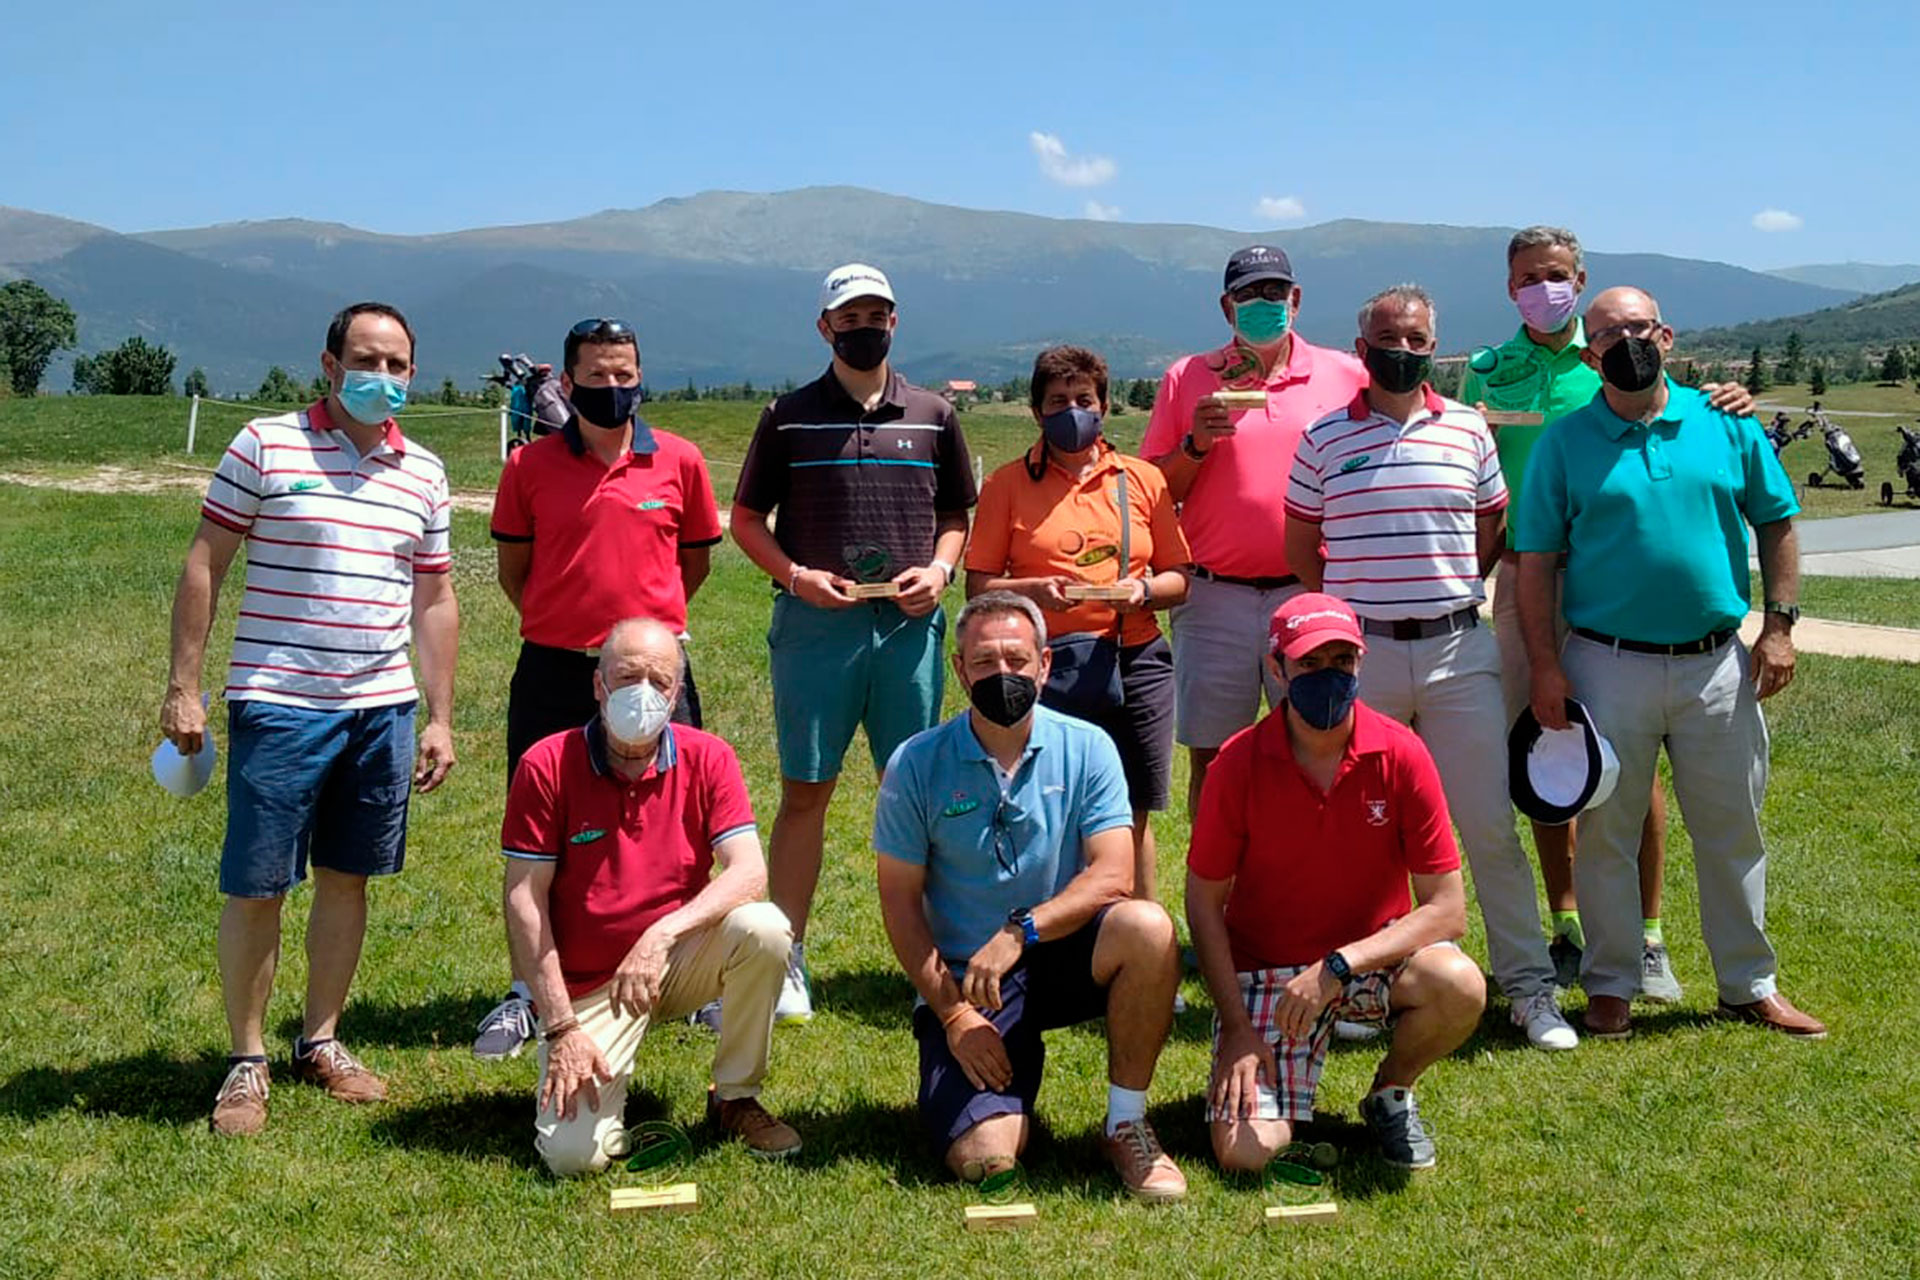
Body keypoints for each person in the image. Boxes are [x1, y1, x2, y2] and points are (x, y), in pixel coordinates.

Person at [161, 302, 459, 1136]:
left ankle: (320, 1040)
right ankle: (246, 1061)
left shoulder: (425, 472)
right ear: (330, 366)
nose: (382, 377)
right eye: (366, 360)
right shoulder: (265, 444)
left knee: (347, 878)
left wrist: (440, 716)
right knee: (258, 885)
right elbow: (205, 562)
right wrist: (184, 686)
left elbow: (435, 598)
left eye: (396, 365)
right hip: (279, 703)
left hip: (381, 709)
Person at [1514, 286, 1826, 1041]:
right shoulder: (1565, 442)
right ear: (1590, 356)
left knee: (1732, 827)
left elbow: (1777, 522)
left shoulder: (1726, 421)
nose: (1625, 342)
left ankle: (1748, 984)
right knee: (1607, 831)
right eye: (1607, 334)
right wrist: (1544, 667)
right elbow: (1537, 562)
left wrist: (1779, 627)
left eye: (1638, 327)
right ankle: (1612, 984)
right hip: (1604, 661)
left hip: (1715, 663)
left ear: (1667, 336)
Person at [1461, 227, 1753, 1000]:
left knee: (1628, 759)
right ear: (1510, 288)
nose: (1543, 288)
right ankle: (1568, 922)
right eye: (1528, 277)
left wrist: (1734, 397)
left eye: (1556, 274)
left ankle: (1647, 935)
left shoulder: (1613, 356)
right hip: (1525, 572)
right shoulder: (1485, 372)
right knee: (1547, 745)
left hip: (1604, 578)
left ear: (1580, 279)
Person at [1284, 284, 1577, 1052]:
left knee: (1486, 825)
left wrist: (1442, 589)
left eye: (1417, 340)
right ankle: (1361, 988)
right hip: (1365, 658)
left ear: (1434, 347)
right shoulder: (1322, 438)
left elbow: (1490, 527)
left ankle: (1529, 989)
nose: (1404, 351)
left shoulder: (1470, 431)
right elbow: (1301, 547)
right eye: (1389, 339)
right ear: (1362, 349)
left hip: (1457, 651)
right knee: (1359, 830)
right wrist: (1353, 611)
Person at [873, 592, 1187, 1201]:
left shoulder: (1090, 746)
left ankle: (1125, 1122)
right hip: (968, 977)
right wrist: (955, 1016)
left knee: (1148, 928)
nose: (1003, 674)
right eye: (984, 662)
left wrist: (1021, 931)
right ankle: (1002, 1099)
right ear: (959, 671)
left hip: (1061, 950)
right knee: (984, 1158)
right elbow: (900, 904)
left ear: (1044, 664)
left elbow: (1114, 873)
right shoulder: (915, 762)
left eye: (1017, 660)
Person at [732, 263, 977, 1024]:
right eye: (850, 317)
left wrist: (941, 570)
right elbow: (746, 520)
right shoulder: (787, 416)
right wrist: (795, 575)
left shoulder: (934, 414)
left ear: (894, 322)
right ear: (825, 327)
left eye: (876, 315)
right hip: (815, 628)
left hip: (907, 629)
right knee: (806, 790)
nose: (864, 328)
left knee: (914, 792)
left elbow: (956, 515)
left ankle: (928, 958)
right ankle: (787, 956)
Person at [474, 317, 724, 1061]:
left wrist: (640, 647)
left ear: (640, 377)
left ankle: (690, 978)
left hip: (653, 673)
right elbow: (516, 572)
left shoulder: (680, 461)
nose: (612, 387)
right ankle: (530, 990)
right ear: (567, 381)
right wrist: (568, 626)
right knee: (541, 834)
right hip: (555, 669)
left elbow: (693, 564)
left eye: (624, 375)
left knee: (678, 821)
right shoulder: (528, 466)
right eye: (596, 375)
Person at [1188, 594, 1485, 1171]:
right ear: (1276, 669)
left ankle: (1390, 1092)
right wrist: (1238, 1028)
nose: (1328, 676)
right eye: (1309, 663)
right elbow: (1203, 901)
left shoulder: (1402, 752)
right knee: (1246, 1156)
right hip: (1269, 974)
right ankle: (1269, 1082)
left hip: (1368, 963)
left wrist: (1338, 967)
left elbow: (1448, 909)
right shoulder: (1237, 763)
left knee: (1459, 984)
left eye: (1342, 661)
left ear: (1360, 662)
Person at [502, 618, 801, 1174]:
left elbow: (749, 871)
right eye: (627, 676)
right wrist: (561, 1026)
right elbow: (524, 901)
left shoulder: (710, 756)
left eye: (659, 681)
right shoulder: (545, 764)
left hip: (676, 958)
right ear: (598, 685)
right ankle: (593, 1069)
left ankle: (735, 1097)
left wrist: (661, 935)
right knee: (574, 1158)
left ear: (676, 692)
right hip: (589, 984)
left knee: (764, 928)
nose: (642, 692)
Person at [1142, 246, 1368, 823]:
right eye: (1249, 294)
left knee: (1319, 743)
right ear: (1227, 307)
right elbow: (1153, 491)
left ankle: (1306, 868)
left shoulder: (1345, 374)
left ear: (1296, 300)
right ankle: (1215, 873)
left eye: (1274, 292)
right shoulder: (1187, 377)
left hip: (1308, 589)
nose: (1263, 303)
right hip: (1213, 595)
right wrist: (1195, 444)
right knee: (1214, 757)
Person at [965, 345, 1191, 897]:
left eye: (1084, 399)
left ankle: (1141, 926)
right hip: (1049, 666)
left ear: (1104, 406)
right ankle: (1054, 917)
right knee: (1052, 800)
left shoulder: (1143, 479)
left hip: (1135, 659)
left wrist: (1142, 591)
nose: (1073, 411)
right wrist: (1033, 592)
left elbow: (1179, 578)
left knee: (1132, 807)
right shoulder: (1006, 485)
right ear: (1037, 411)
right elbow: (978, 587)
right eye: (1058, 400)